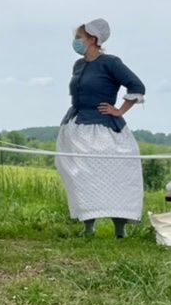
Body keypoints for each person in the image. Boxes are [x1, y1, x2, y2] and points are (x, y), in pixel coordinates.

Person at [55, 19, 147, 238]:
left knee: (115, 176)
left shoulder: (111, 63)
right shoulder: (78, 65)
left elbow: (137, 86)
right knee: (82, 177)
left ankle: (120, 229)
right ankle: (88, 227)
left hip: (104, 128)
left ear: (93, 39)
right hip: (78, 126)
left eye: (79, 37)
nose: (75, 41)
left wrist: (119, 110)